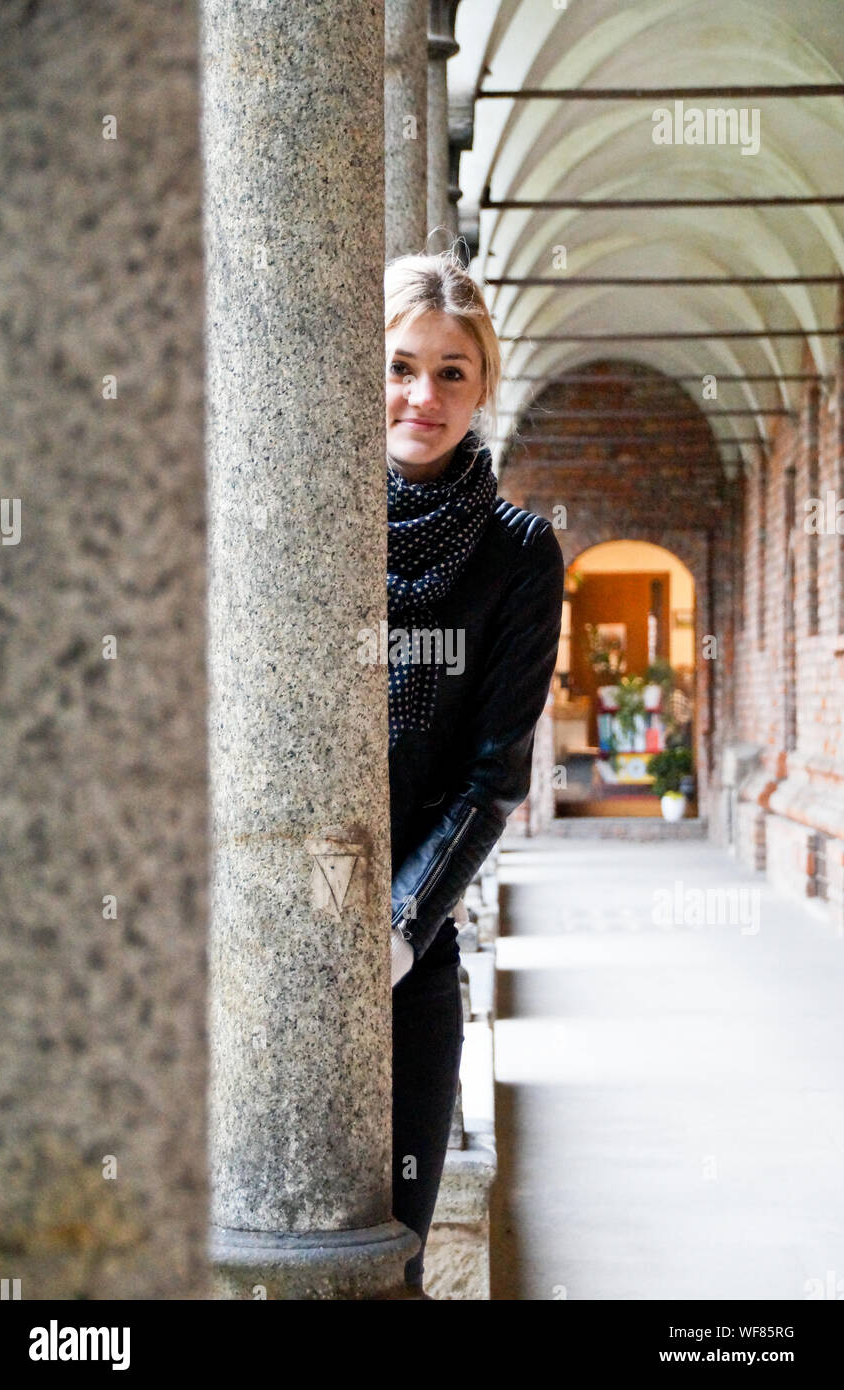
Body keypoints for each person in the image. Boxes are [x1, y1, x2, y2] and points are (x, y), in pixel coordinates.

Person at [384, 245, 565, 1294]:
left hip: (409, 949)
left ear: (483, 384)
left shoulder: (518, 553)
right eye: (400, 366)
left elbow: (493, 775)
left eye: (451, 371)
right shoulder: (296, 522)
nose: (424, 395)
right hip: (263, 937)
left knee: (392, 1256)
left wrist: (398, 929)